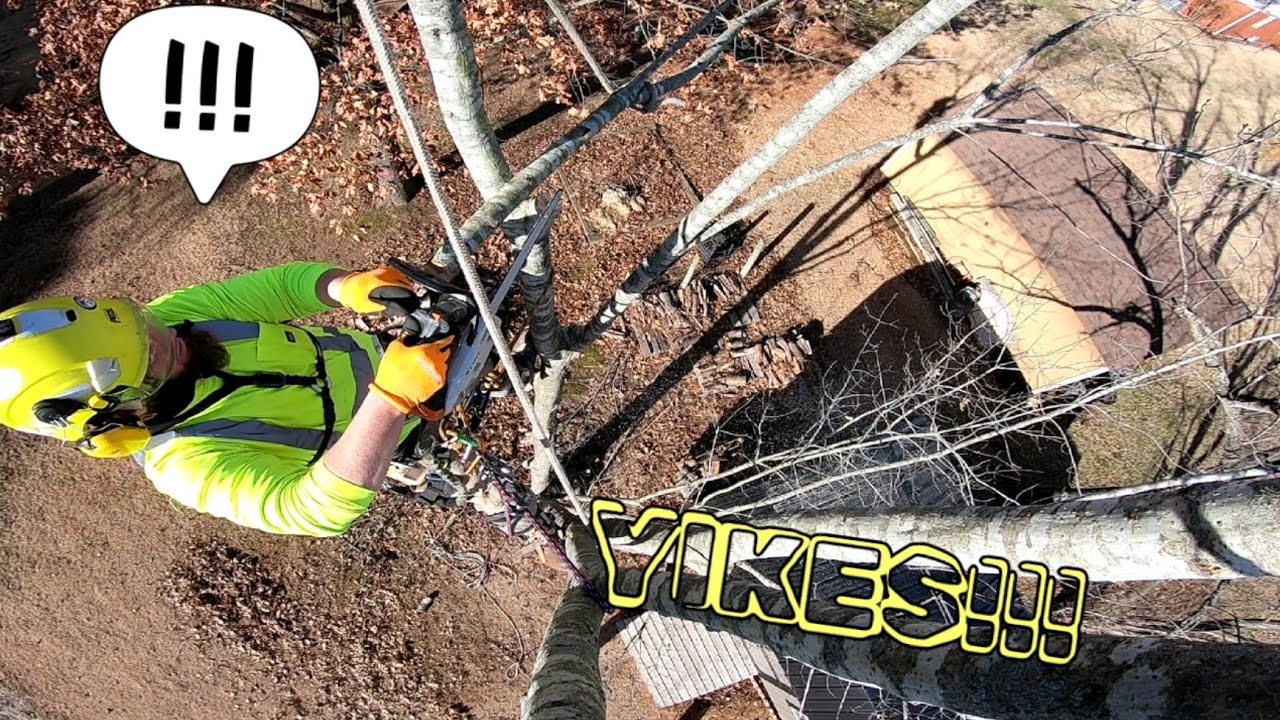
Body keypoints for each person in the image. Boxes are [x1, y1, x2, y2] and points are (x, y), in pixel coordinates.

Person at [0, 262, 455, 537]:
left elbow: (284, 288)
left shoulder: (170, 320)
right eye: (150, 358)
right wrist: (390, 401)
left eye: (145, 327)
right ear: (114, 416)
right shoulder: (187, 464)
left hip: (399, 356)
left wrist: (350, 288)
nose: (167, 335)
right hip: (414, 439)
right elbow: (314, 510)